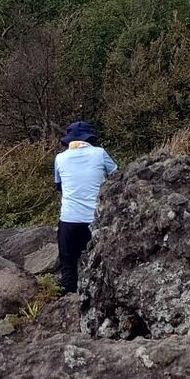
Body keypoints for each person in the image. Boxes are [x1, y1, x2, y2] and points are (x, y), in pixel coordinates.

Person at [54, 120, 118, 294]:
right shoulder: (100, 153)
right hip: (97, 219)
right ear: (90, 139)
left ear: (69, 141)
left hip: (69, 220)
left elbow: (59, 187)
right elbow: (117, 177)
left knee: (68, 264)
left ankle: (69, 302)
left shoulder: (60, 158)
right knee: (101, 264)